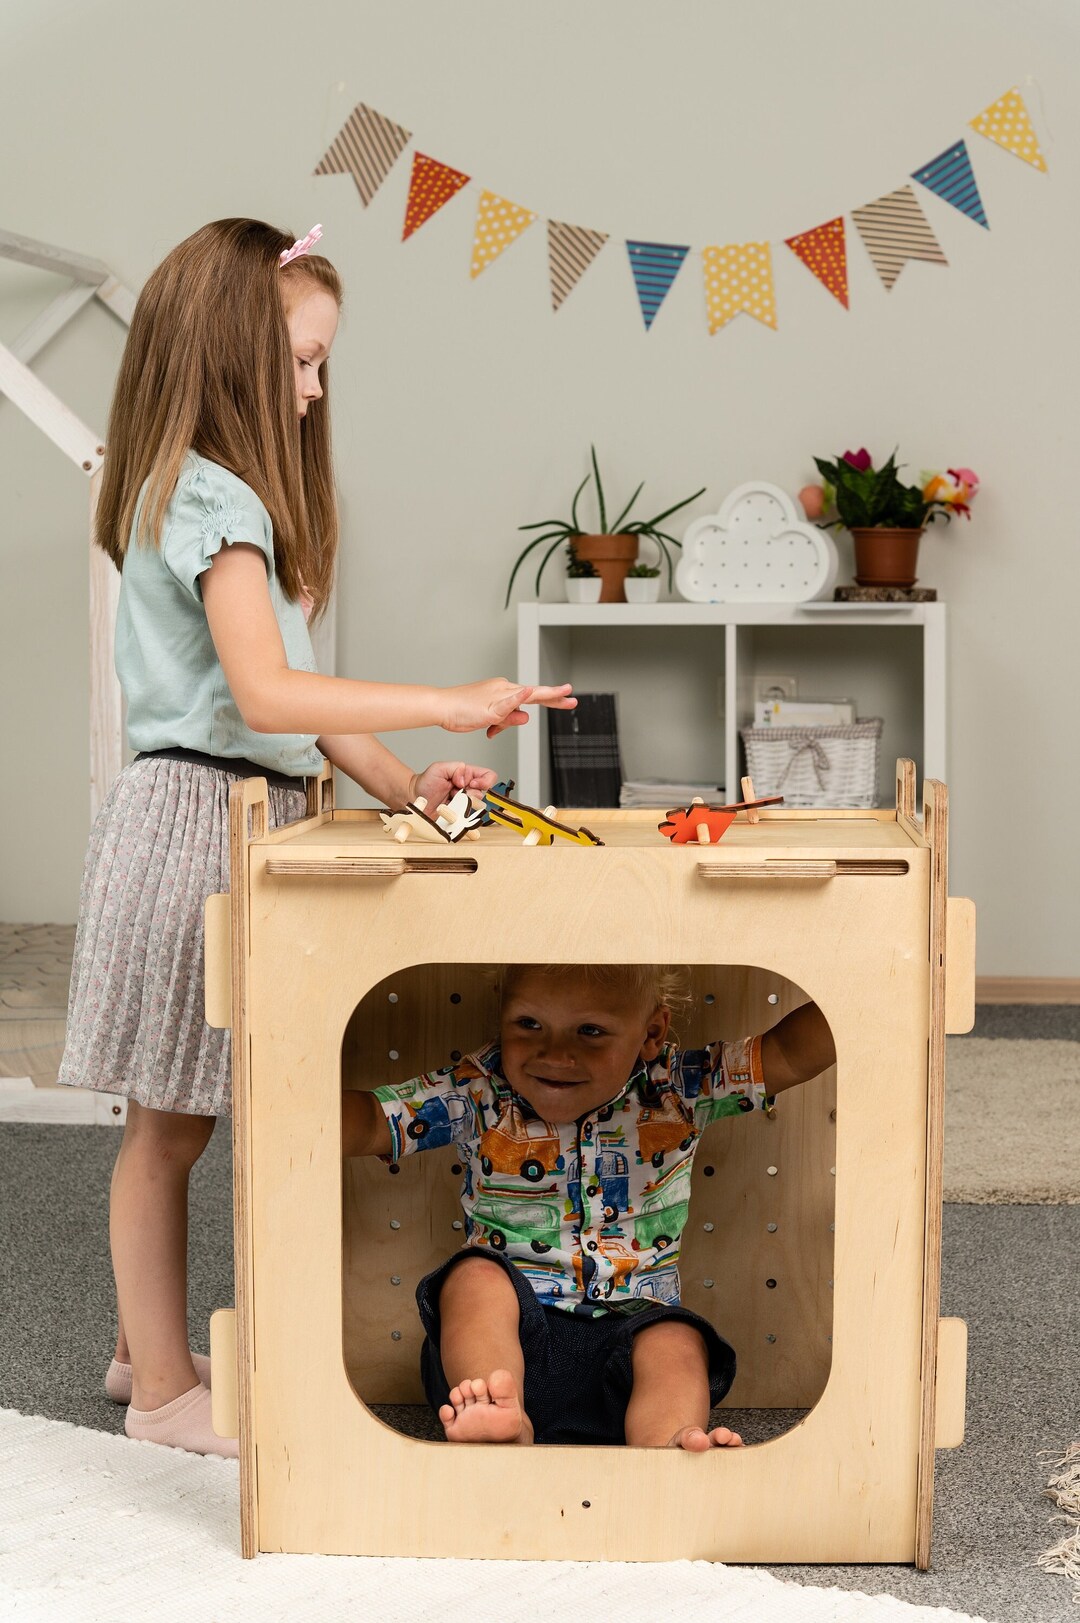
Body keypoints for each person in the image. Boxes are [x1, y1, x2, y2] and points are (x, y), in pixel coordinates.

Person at [57, 218, 575, 1458]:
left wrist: (412, 789)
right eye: (300, 360)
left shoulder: (203, 492)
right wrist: (446, 701)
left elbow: (305, 724)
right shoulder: (211, 501)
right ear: (234, 355)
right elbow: (271, 699)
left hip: (234, 804)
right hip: (193, 817)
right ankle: (170, 1393)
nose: (314, 388)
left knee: (181, 1113)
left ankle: (145, 1348)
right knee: (168, 1126)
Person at [342, 962, 836, 1450]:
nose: (555, 1053)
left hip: (627, 1348)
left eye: (591, 1031)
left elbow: (789, 1053)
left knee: (677, 1338)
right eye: (529, 1024)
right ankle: (500, 1418)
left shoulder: (679, 1088)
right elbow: (372, 1121)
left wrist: (875, 975)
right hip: (505, 1348)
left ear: (651, 1033)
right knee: (473, 1277)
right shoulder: (479, 1089)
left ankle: (669, 1442)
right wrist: (280, 1098)